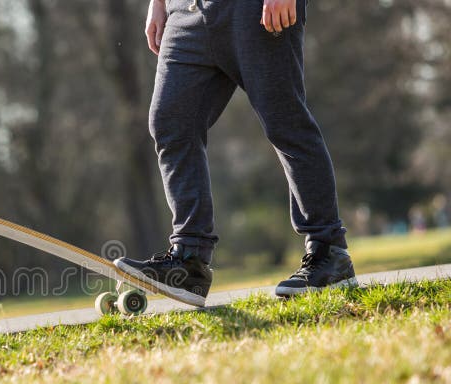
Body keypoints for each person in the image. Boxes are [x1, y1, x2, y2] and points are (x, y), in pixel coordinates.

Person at [114, 0, 357, 306]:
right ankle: (189, 260)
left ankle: (329, 252)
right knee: (171, 123)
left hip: (253, 10)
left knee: (285, 123)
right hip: (186, 11)